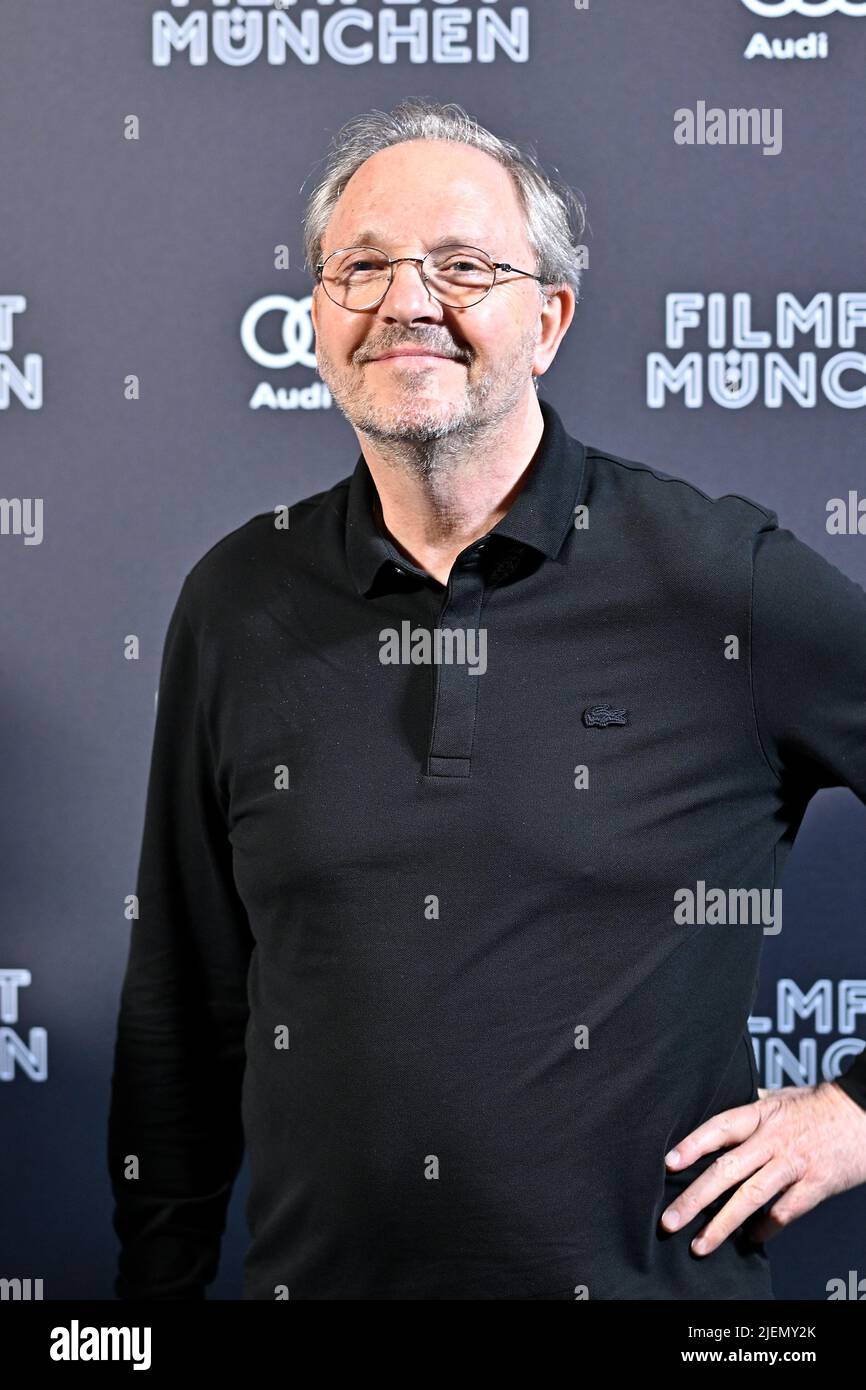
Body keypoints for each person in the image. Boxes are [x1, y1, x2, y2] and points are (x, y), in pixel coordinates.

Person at [108, 97, 866, 1301]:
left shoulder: (721, 581)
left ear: (549, 318)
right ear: (316, 318)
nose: (406, 301)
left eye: (461, 265)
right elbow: (182, 999)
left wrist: (856, 1114)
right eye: (360, 268)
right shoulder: (236, 599)